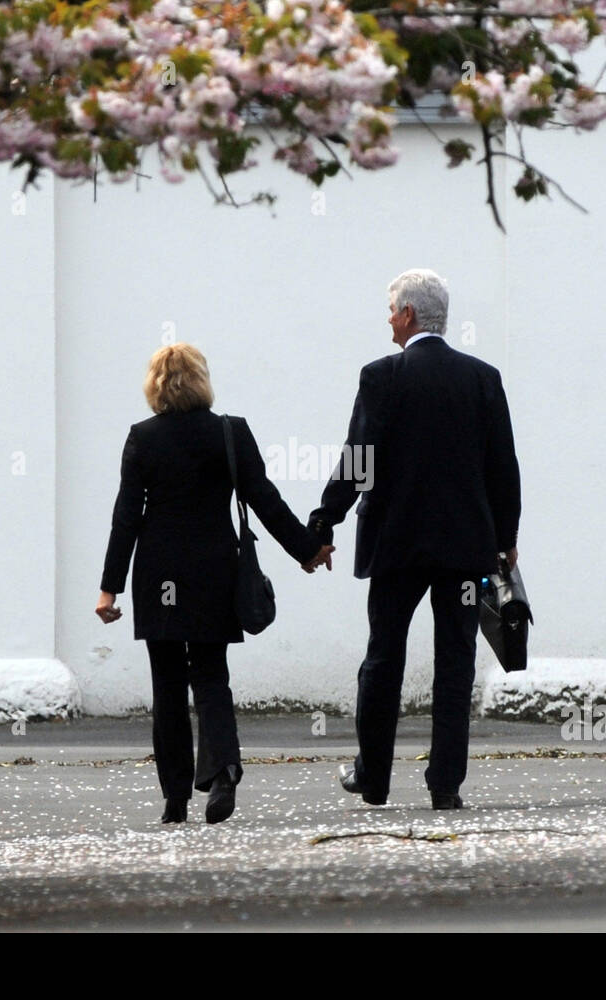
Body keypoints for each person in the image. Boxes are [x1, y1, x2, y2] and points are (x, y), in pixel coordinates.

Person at [308, 269, 521, 810]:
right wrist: (506, 539)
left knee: (383, 657)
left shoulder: (382, 377)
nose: (387, 319)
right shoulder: (483, 378)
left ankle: (373, 777)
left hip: (396, 546)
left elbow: (359, 461)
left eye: (390, 310)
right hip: (465, 549)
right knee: (456, 662)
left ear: (407, 315)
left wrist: (324, 521)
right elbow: (504, 468)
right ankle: (445, 784)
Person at [96, 343, 334, 824]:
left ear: (156, 386)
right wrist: (307, 548)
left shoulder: (142, 438)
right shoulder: (230, 431)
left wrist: (109, 588)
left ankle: (175, 797)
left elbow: (126, 517)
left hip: (158, 573)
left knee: (167, 684)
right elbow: (263, 498)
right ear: (202, 380)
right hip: (213, 569)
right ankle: (223, 772)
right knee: (210, 675)